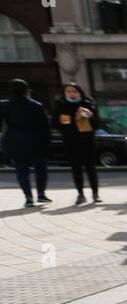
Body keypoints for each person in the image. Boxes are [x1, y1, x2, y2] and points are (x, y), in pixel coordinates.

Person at [1, 79, 52, 208]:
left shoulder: (5, 105)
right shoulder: (36, 105)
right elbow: (45, 127)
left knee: (21, 169)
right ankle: (41, 194)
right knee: (40, 167)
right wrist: (47, 143)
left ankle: (28, 198)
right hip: (35, 140)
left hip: (14, 140)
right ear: (27, 90)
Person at [52, 82, 102, 204]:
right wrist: (61, 121)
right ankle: (80, 194)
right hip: (71, 141)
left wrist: (90, 116)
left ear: (79, 92)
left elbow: (97, 124)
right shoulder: (61, 105)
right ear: (64, 93)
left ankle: (95, 194)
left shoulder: (88, 103)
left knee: (91, 168)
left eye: (74, 91)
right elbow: (54, 124)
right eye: (68, 91)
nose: (72, 94)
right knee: (76, 169)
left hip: (87, 140)